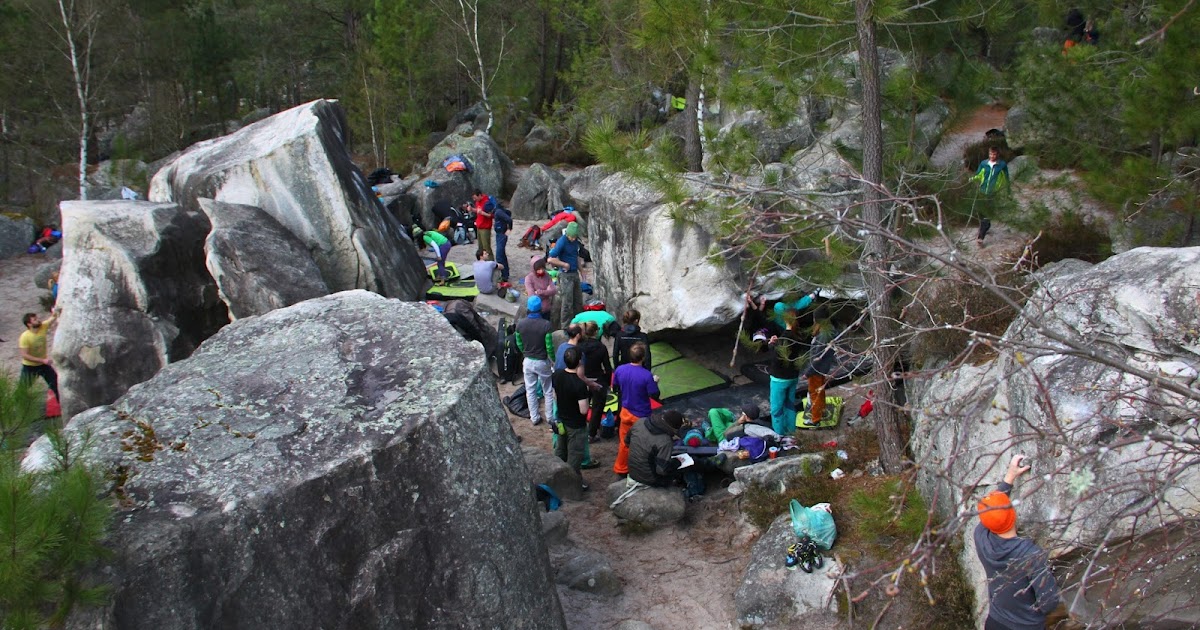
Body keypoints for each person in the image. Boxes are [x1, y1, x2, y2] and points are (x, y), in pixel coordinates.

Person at [975, 454, 1060, 630]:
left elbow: (992, 515)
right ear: (1013, 515)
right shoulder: (1029, 554)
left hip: (995, 623)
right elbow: (1049, 602)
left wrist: (1009, 477)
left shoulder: (981, 536)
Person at [611, 342, 659, 477]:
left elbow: (615, 385)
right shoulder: (646, 375)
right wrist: (655, 382)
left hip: (626, 411)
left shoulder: (620, 370)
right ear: (643, 357)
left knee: (625, 443)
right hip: (642, 415)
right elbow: (654, 394)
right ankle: (643, 469)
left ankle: (621, 468)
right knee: (643, 443)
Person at [552, 346, 591, 492]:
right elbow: (584, 410)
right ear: (579, 361)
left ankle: (555, 477)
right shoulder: (579, 385)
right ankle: (572, 485)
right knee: (574, 457)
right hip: (576, 425)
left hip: (562, 420)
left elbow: (555, 395)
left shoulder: (557, 375)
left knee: (561, 451)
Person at [516, 296, 556, 426]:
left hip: (527, 361)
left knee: (530, 390)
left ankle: (534, 417)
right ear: (541, 308)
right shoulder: (546, 325)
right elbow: (549, 346)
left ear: (528, 308)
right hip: (542, 361)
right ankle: (550, 418)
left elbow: (519, 343)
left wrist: (525, 352)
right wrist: (553, 360)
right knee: (548, 390)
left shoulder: (520, 324)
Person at [768, 308, 808, 436]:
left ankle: (778, 434)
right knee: (789, 404)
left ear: (785, 319)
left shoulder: (784, 338)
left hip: (779, 378)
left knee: (776, 408)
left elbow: (776, 360)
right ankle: (791, 432)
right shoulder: (799, 336)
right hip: (793, 376)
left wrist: (772, 345)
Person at [625, 410, 686, 488]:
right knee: (680, 471)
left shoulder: (640, 422)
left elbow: (627, 442)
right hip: (649, 479)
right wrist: (677, 462)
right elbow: (662, 471)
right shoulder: (665, 441)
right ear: (674, 428)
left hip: (632, 471)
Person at [577, 321, 613, 444]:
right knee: (597, 409)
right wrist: (607, 382)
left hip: (582, 379)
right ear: (596, 332)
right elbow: (607, 367)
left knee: (581, 407)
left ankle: (579, 431)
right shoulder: (601, 347)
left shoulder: (579, 346)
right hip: (597, 379)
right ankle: (591, 434)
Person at [546, 222, 585, 328]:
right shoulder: (562, 241)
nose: (572, 239)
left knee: (578, 300)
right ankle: (565, 326)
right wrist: (563, 264)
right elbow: (550, 259)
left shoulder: (576, 241)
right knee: (567, 302)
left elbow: (575, 256)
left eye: (574, 237)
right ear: (567, 234)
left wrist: (581, 270)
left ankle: (579, 323)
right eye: (571, 237)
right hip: (565, 275)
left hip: (574, 273)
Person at [970, 146, 1010, 245]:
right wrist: (971, 179)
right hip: (982, 191)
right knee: (981, 213)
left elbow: (1006, 179)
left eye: (994, 154)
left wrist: (1008, 192)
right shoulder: (984, 163)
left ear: (997, 154)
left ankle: (980, 237)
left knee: (987, 214)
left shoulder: (1002, 165)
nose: (992, 156)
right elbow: (979, 174)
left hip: (993, 193)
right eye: (990, 154)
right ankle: (985, 227)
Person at [803, 307, 836, 426]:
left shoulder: (823, 335)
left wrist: (808, 372)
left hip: (817, 369)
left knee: (814, 393)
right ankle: (821, 410)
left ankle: (815, 419)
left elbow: (818, 356)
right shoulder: (829, 330)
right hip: (822, 368)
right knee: (820, 390)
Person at [19, 309, 61, 399]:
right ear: (29, 324)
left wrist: (55, 311)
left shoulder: (43, 327)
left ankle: (60, 406)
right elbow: (24, 355)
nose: (38, 320)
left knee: (55, 384)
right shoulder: (25, 337)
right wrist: (42, 360)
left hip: (43, 365)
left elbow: (53, 318)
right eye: (34, 320)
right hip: (30, 367)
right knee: (22, 389)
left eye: (37, 318)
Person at [705, 403, 776, 443]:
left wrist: (737, 422)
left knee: (713, 412)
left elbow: (725, 433)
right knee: (726, 423)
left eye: (743, 413)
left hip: (724, 439)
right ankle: (710, 428)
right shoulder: (760, 422)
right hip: (735, 431)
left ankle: (707, 429)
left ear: (746, 417)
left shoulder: (744, 427)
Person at [525, 256, 558, 327]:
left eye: (542, 268)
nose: (541, 271)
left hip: (547, 308)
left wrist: (541, 292)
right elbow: (532, 296)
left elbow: (554, 290)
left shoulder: (547, 275)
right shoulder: (529, 278)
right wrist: (547, 291)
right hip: (535, 311)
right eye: (538, 269)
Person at [493, 200, 513, 284]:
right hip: (499, 234)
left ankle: (504, 275)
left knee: (499, 255)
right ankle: (506, 274)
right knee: (502, 254)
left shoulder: (498, 212)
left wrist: (509, 229)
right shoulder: (498, 211)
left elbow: (509, 219)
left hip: (501, 234)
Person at [471, 189, 495, 257]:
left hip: (485, 227)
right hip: (479, 226)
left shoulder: (487, 202)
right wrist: (472, 209)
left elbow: (491, 215)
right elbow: (478, 211)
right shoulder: (478, 202)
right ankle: (482, 261)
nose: (474, 200)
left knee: (486, 247)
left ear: (479, 195)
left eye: (475, 198)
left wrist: (482, 213)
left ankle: (490, 262)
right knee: (480, 247)